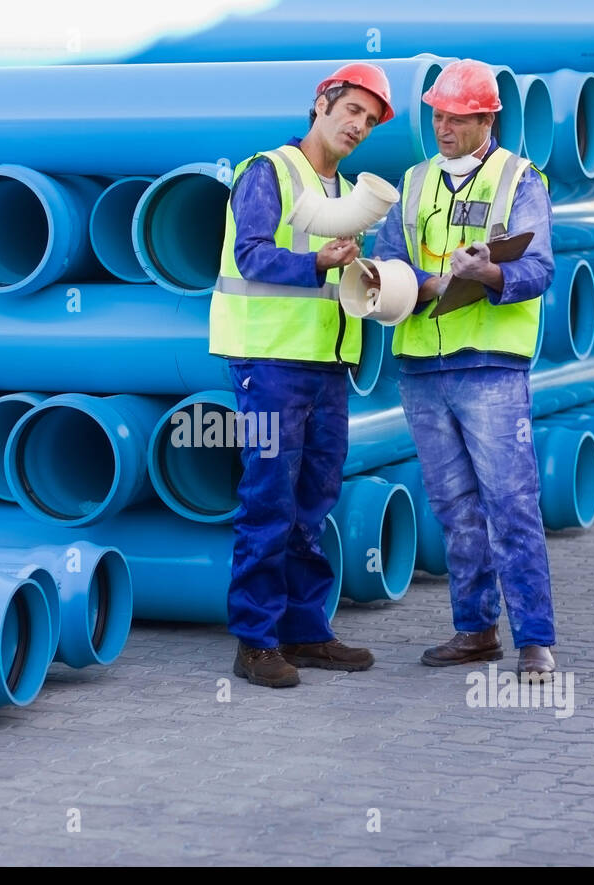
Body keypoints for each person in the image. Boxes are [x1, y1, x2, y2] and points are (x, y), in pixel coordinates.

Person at [370, 59, 559, 676]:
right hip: (423, 366)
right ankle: (474, 631)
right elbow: (390, 260)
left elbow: (539, 270)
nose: (444, 128)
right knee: (453, 506)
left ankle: (535, 640)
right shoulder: (416, 180)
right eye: (438, 116)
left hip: (490, 369)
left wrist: (490, 274)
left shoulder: (520, 179)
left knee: (511, 502)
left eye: (457, 119)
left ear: (487, 120)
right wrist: (415, 285)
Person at [208, 63, 394, 688]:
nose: (359, 126)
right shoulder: (269, 171)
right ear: (322, 104)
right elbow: (252, 255)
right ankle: (255, 642)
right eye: (353, 112)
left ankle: (305, 630)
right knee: (269, 499)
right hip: (270, 362)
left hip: (326, 363)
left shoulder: (343, 192)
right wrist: (317, 259)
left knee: (313, 501)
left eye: (370, 121)